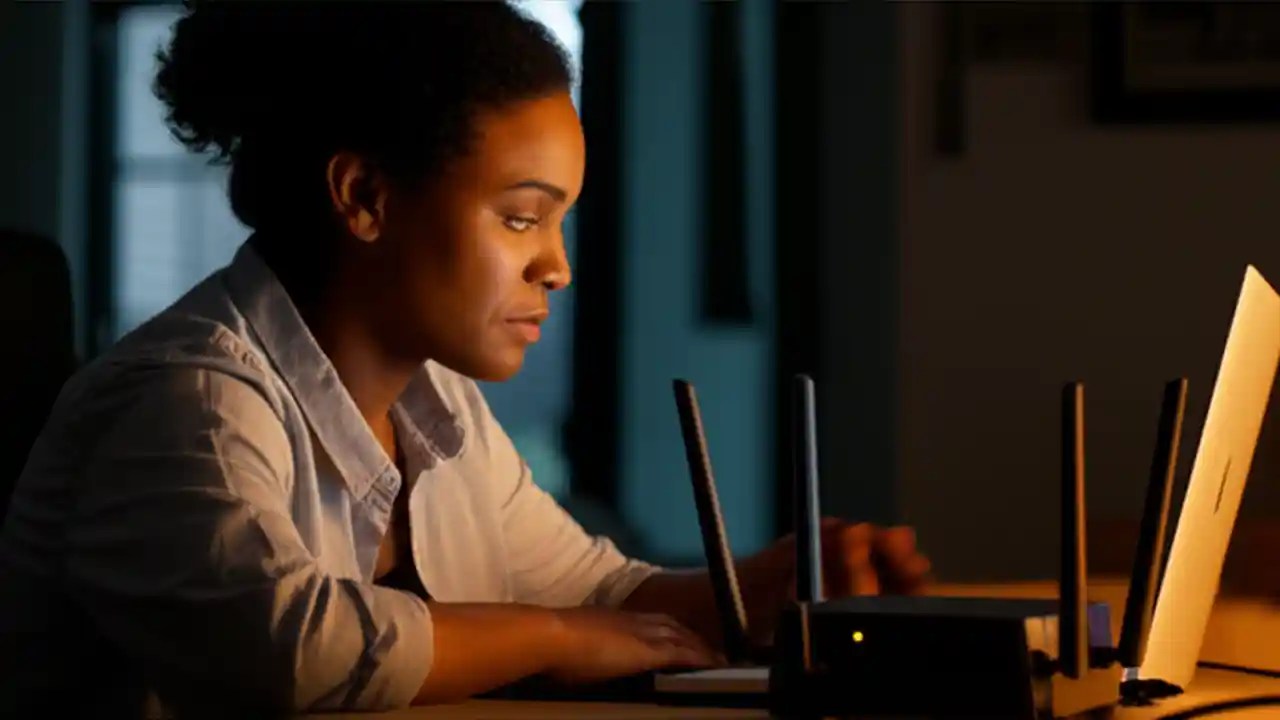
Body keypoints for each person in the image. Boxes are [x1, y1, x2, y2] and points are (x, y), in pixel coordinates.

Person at [0, 2, 930, 716]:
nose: (557, 265)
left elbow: (597, 596)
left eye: (559, 221)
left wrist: (754, 590)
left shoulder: (435, 409)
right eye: (521, 217)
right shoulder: (189, 401)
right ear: (364, 196)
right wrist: (556, 638)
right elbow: (290, 647)